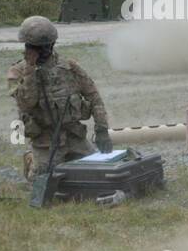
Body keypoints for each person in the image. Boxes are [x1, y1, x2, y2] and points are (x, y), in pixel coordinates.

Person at [7, 16, 110, 179]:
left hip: (74, 136)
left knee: (97, 174)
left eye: (46, 46)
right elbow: (27, 103)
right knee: (45, 179)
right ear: (27, 47)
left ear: (52, 44)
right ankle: (31, 160)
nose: (43, 51)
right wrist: (30, 70)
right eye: (36, 47)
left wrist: (102, 129)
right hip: (45, 142)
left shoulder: (70, 67)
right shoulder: (17, 72)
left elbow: (93, 96)